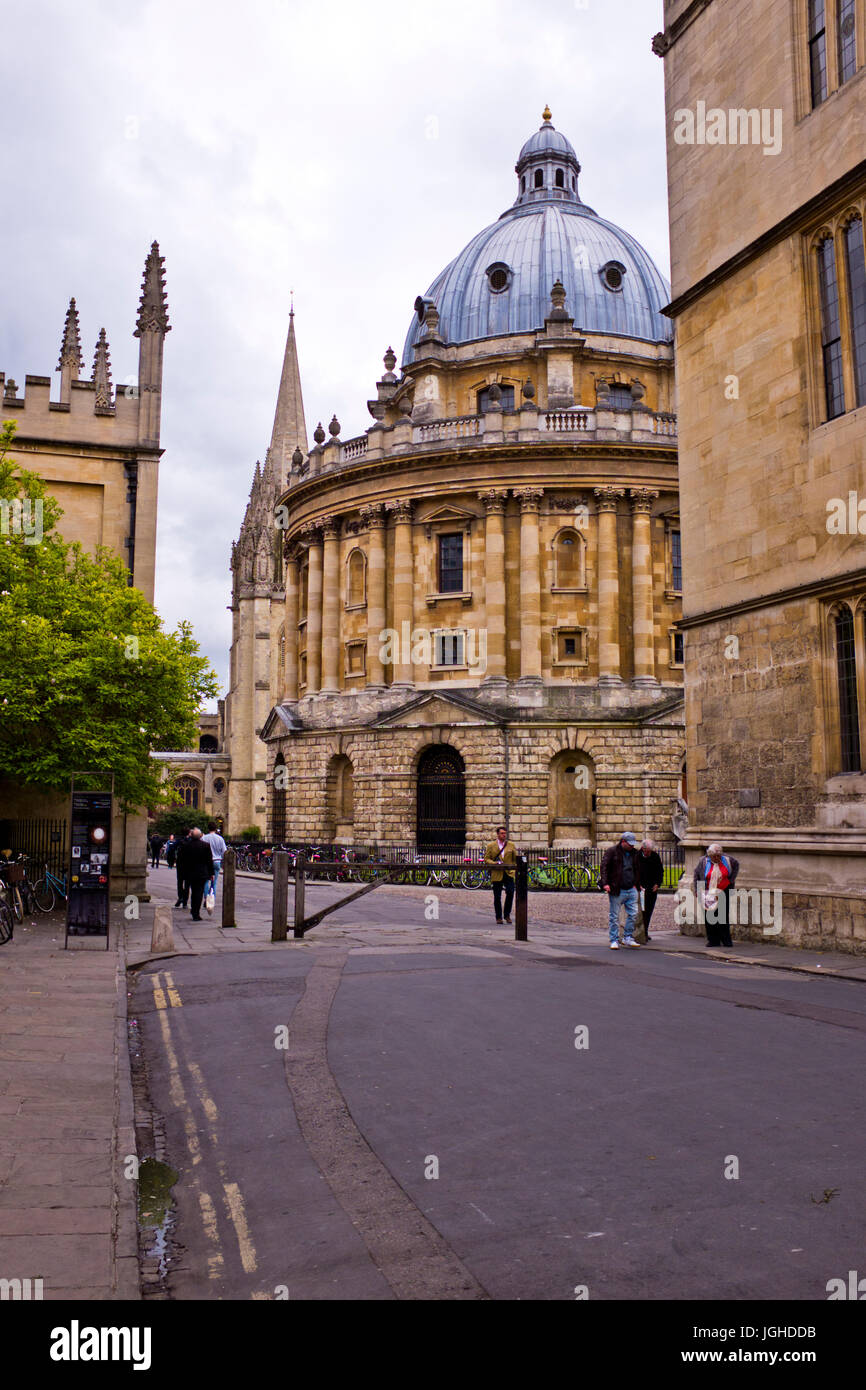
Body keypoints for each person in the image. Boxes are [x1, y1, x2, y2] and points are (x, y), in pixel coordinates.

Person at [693, 843, 740, 948]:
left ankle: (726, 940)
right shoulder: (703, 861)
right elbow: (696, 874)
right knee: (710, 916)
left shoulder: (728, 860)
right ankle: (713, 940)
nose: (717, 858)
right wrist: (696, 889)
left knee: (723, 916)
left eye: (718, 856)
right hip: (708, 890)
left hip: (724, 890)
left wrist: (730, 880)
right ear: (709, 855)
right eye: (714, 856)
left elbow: (736, 865)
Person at [601, 832, 641, 949]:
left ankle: (627, 937)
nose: (632, 846)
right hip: (617, 888)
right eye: (630, 844)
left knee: (633, 914)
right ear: (623, 842)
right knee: (614, 916)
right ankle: (614, 939)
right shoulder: (612, 851)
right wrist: (605, 883)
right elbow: (604, 867)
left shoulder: (634, 853)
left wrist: (636, 883)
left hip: (631, 887)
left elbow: (637, 869)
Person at [484, 826, 517, 925]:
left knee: (510, 892)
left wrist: (513, 870)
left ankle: (507, 915)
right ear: (498, 834)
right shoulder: (491, 845)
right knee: (497, 896)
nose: (504, 835)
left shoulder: (511, 845)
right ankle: (498, 917)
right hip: (497, 873)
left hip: (508, 873)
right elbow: (487, 859)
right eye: (502, 833)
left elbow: (515, 859)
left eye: (505, 833)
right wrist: (494, 863)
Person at [179, 829, 214, 922]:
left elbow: (182, 860)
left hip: (189, 873)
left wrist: (182, 873)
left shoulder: (186, 846)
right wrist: (211, 873)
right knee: (198, 893)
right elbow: (209, 861)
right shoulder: (205, 846)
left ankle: (192, 908)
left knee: (190, 890)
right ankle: (195, 913)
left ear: (191, 836)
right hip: (201, 873)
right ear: (200, 836)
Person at [637, 839, 664, 942]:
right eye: (646, 851)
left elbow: (660, 871)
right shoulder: (637, 856)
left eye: (649, 851)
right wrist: (637, 884)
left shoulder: (655, 856)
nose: (648, 853)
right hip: (641, 888)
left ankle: (645, 932)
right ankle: (639, 932)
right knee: (641, 912)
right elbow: (634, 871)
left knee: (648, 911)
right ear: (643, 849)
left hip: (651, 889)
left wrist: (657, 884)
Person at [202, 822, 227, 896]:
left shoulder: (204, 838)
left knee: (206, 881)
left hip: (207, 862)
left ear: (208, 828)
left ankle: (206, 898)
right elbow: (224, 852)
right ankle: (212, 898)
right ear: (216, 829)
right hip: (217, 861)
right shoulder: (220, 838)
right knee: (214, 882)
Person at [173, 830, 194, 909]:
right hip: (189, 864)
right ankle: (185, 901)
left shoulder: (179, 841)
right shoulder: (191, 841)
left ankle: (180, 897)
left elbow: (172, 848)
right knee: (187, 884)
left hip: (180, 863)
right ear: (189, 833)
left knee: (180, 881)